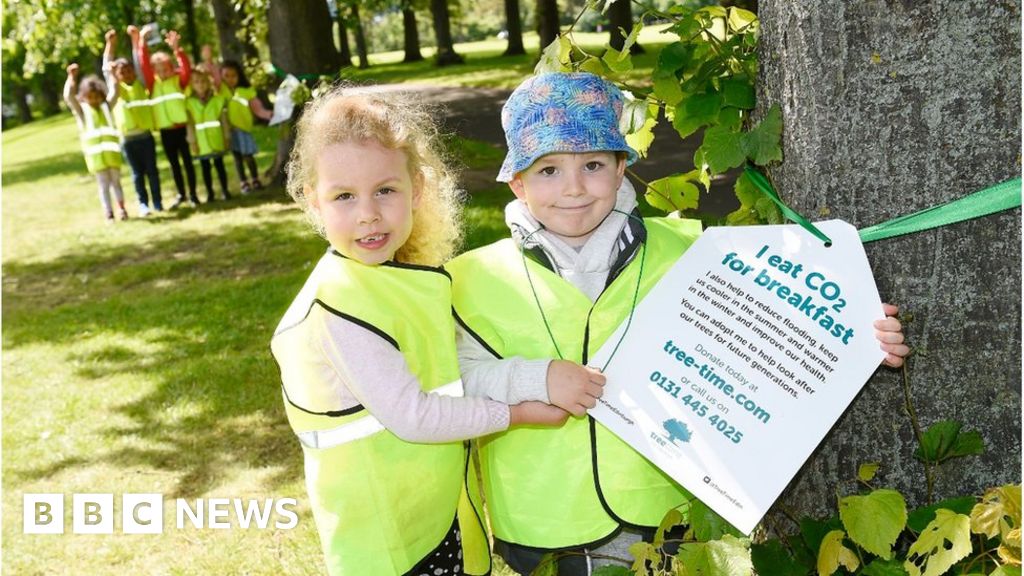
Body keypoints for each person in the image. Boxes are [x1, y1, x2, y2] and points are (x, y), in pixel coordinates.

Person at [446, 72, 911, 575]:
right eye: (548, 171)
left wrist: (857, 342)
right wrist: (536, 379)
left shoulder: (692, 252)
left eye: (594, 164)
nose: (574, 188)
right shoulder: (469, 279)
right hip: (542, 519)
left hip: (668, 509)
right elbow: (449, 385)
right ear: (517, 181)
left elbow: (768, 335)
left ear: (622, 168)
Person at [269, 86, 571, 576]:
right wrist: (515, 413)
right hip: (388, 534)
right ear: (314, 202)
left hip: (428, 513)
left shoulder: (389, 277)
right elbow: (412, 416)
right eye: (344, 196)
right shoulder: (339, 304)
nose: (368, 212)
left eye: (385, 190)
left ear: (418, 189)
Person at [130, 24, 200, 209]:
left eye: (166, 69)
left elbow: (186, 68)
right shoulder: (152, 85)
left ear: (171, 68)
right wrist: (142, 42)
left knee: (187, 163)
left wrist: (177, 49)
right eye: (159, 70)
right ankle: (181, 194)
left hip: (182, 128)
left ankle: (193, 195)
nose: (163, 72)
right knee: (174, 165)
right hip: (166, 131)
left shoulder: (180, 81)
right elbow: (144, 64)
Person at [103, 29, 162, 216]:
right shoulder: (116, 89)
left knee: (152, 171)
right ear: (118, 75)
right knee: (137, 174)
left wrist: (136, 40)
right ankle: (143, 204)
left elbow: (140, 61)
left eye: (129, 71)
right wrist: (110, 46)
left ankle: (158, 202)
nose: (127, 74)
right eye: (123, 72)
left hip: (146, 136)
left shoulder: (141, 84)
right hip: (128, 140)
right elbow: (107, 68)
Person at [63, 63, 128, 222]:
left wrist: (113, 75)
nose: (94, 100)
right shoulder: (82, 112)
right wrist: (71, 78)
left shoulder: (106, 107)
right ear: (84, 97)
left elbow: (116, 91)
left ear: (101, 96)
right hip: (96, 159)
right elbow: (69, 97)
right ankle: (108, 213)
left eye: (97, 97)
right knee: (104, 187)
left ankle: (121, 209)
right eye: (90, 97)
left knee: (116, 184)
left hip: (112, 156)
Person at [217, 60, 272, 194]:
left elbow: (257, 108)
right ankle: (244, 183)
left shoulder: (247, 91)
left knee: (248, 156)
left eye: (233, 75)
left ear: (239, 76)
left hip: (244, 129)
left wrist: (267, 114)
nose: (230, 79)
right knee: (237, 158)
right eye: (226, 76)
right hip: (230, 130)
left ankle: (255, 179)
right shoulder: (221, 91)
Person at [185, 65, 231, 202]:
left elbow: (224, 122)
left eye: (204, 81)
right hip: (201, 142)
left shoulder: (218, 100)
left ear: (209, 82)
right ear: (192, 85)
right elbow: (190, 124)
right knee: (205, 168)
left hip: (217, 139)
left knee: (219, 165)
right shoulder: (189, 103)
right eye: (197, 82)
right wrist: (192, 142)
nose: (201, 85)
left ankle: (225, 190)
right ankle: (210, 193)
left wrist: (227, 137)